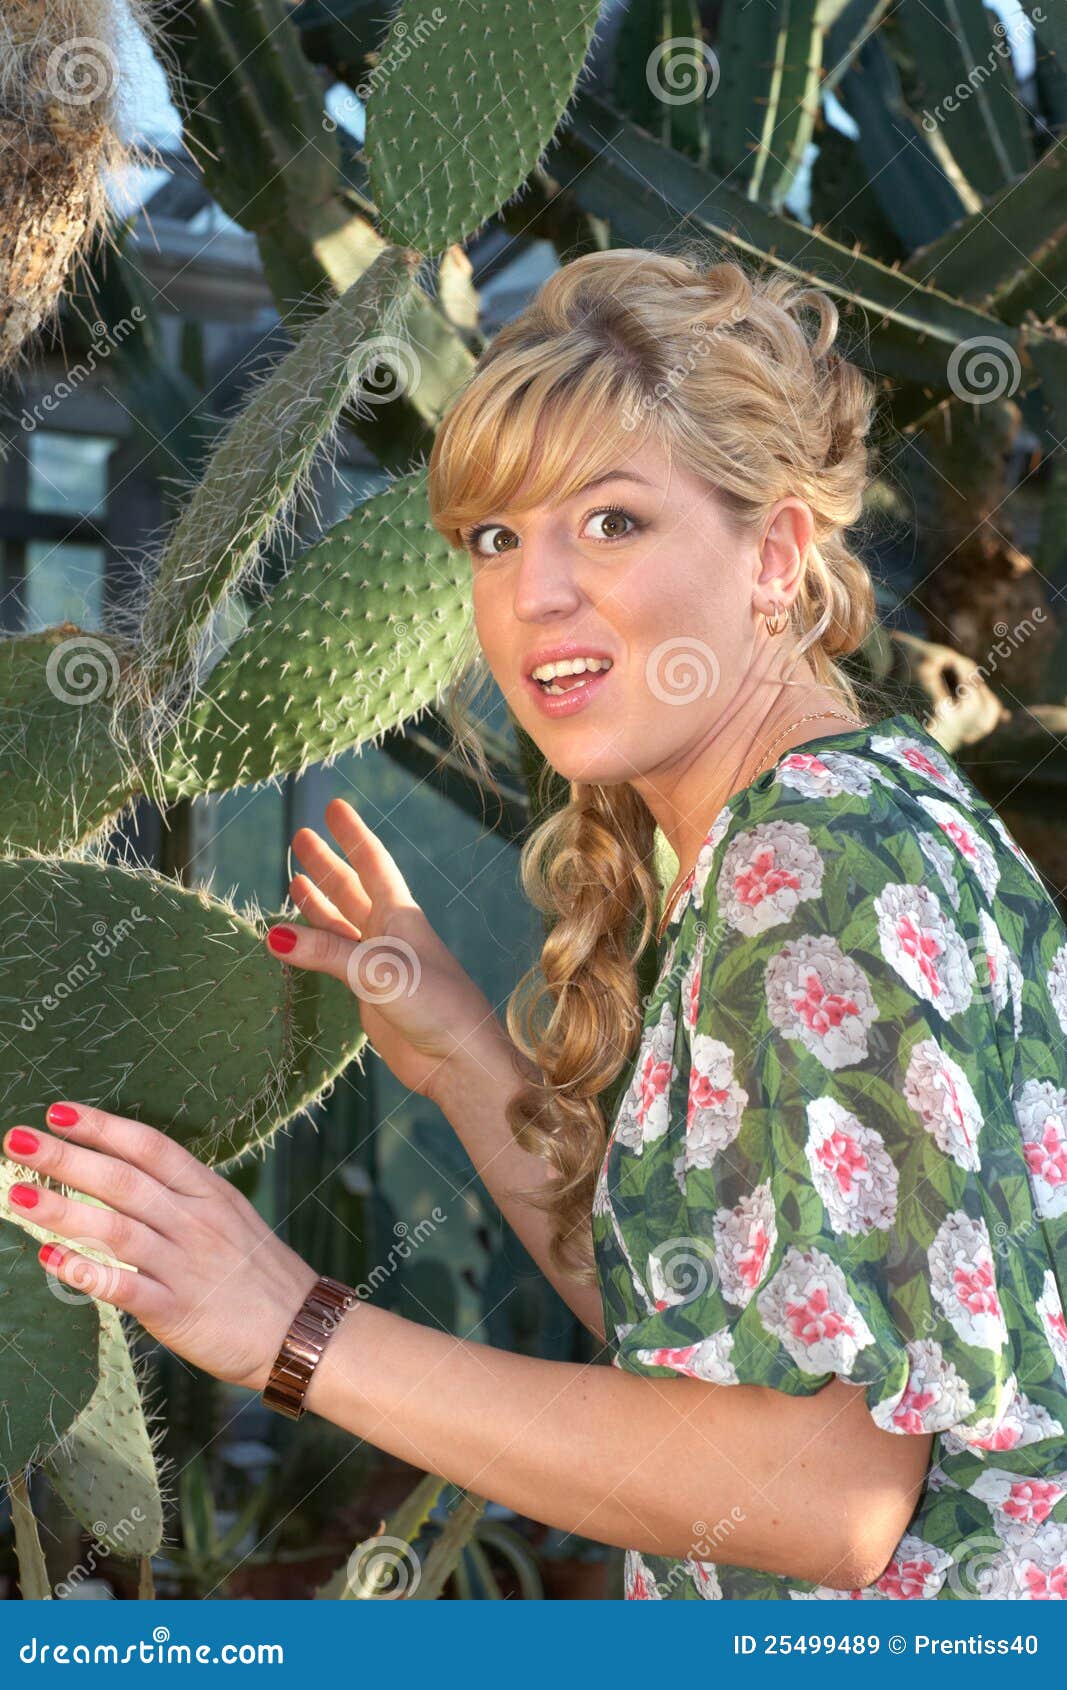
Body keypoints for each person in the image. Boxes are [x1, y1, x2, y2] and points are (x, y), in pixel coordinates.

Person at [8, 247, 1067, 1600]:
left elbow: (825, 1495)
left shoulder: (813, 866)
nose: (535, 593)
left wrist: (290, 1319)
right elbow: (722, 1350)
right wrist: (455, 1048)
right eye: (497, 536)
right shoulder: (857, 806)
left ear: (778, 551)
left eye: (612, 520)